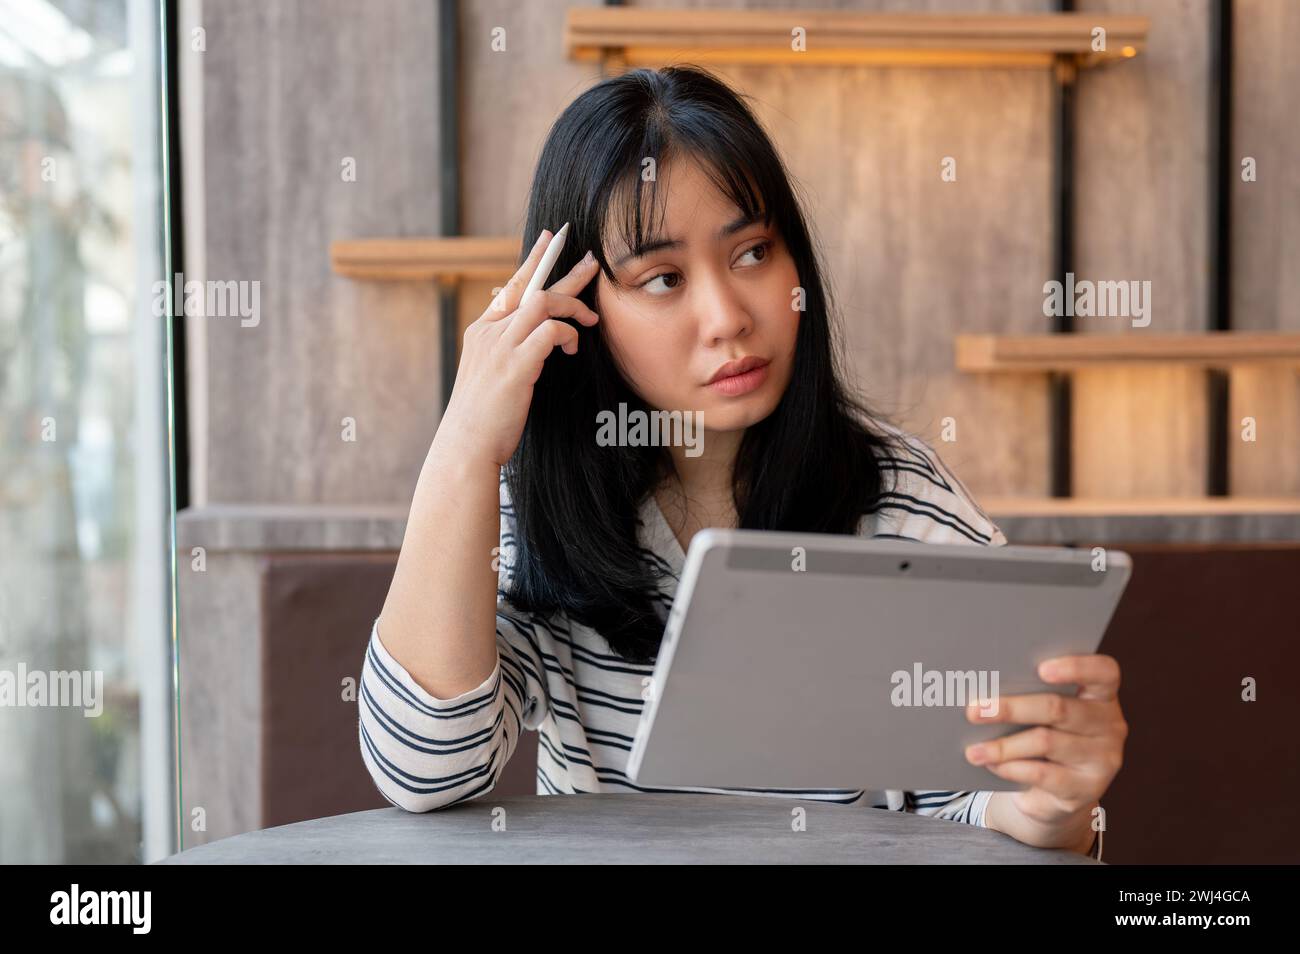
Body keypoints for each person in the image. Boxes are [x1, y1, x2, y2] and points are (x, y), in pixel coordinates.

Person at [359, 65, 1125, 859]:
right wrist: (463, 447)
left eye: (754, 252)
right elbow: (424, 767)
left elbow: (976, 810)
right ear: (577, 310)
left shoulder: (899, 501)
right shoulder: (533, 513)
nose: (728, 317)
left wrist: (1050, 812)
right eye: (663, 278)